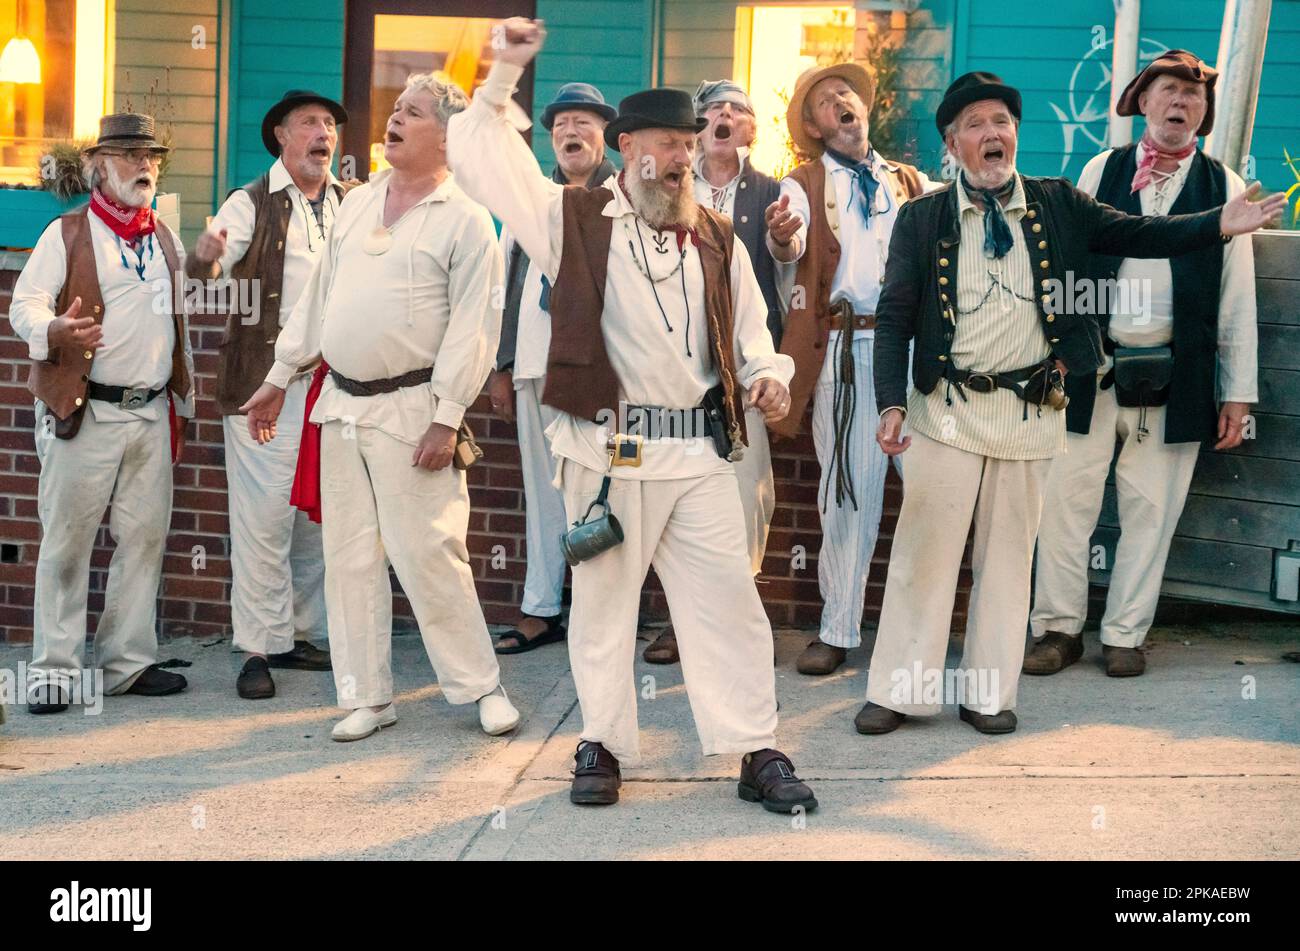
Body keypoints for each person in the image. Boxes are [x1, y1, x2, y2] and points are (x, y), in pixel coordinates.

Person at [448, 18, 817, 813]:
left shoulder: (716, 234)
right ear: (627, 150)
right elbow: (481, 157)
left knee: (729, 607)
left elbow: (751, 330)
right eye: (664, 143)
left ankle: (755, 747)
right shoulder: (571, 220)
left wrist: (768, 374)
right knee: (605, 610)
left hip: (699, 456)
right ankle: (604, 743)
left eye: (689, 143)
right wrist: (506, 66)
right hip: (607, 455)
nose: (682, 157)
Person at [854, 71, 1284, 737]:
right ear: (953, 144)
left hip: (1028, 410)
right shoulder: (923, 216)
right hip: (946, 408)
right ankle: (901, 690)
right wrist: (890, 402)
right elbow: (895, 317)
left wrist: (1215, 226)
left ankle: (988, 695)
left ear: (1014, 135)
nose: (992, 133)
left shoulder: (1058, 202)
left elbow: (1141, 232)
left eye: (1002, 120)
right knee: (925, 554)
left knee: (1006, 559)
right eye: (975, 124)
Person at [241, 74, 520, 742]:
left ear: (447, 136)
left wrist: (447, 416)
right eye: (394, 109)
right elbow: (319, 301)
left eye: (413, 113)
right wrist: (281, 375)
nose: (393, 119)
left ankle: (481, 685)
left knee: (429, 549)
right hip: (341, 406)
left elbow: (474, 327)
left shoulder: (467, 217)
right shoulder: (360, 202)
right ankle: (368, 695)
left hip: (414, 408)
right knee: (350, 555)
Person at [1028, 51, 1258, 679]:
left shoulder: (1226, 186)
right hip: (1091, 369)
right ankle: (1056, 628)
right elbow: (1066, 264)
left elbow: (1237, 296)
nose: (1182, 102)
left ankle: (1126, 633)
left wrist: (1236, 392)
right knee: (1064, 505)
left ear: (1204, 113)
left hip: (1175, 375)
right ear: (1144, 100)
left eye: (1194, 95)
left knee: (1151, 513)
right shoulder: (1102, 168)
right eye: (1170, 91)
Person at [11, 113, 195, 712]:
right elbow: (24, 307)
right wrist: (55, 330)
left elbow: (176, 327)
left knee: (144, 540)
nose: (144, 166)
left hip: (149, 412)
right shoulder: (64, 233)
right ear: (98, 167)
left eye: (150, 157)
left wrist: (181, 401)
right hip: (85, 411)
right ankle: (54, 671)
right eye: (128, 156)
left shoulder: (165, 236)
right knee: (67, 543)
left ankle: (126, 663)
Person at [766, 63, 934, 676]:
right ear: (813, 125)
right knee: (848, 494)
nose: (840, 103)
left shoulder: (911, 181)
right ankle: (838, 629)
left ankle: (919, 636)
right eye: (824, 101)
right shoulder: (801, 184)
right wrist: (783, 239)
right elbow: (789, 243)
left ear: (863, 110)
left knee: (930, 491)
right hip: (845, 347)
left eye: (846, 95)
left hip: (913, 351)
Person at [188, 90, 354, 699]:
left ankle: (302, 634)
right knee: (264, 518)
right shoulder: (249, 199)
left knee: (318, 514)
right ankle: (258, 646)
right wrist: (205, 257)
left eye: (330, 125)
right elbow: (213, 259)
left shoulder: (348, 203)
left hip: (333, 385)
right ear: (281, 135)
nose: (324, 133)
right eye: (310, 123)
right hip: (265, 387)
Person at [639, 78, 784, 668]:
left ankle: (738, 618)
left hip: (741, 370)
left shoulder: (774, 190)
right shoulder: (666, 188)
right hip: (675, 378)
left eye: (736, 110)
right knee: (677, 505)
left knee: (749, 495)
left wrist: (767, 370)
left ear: (749, 129)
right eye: (713, 111)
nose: (724, 117)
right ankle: (680, 620)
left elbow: (780, 279)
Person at [486, 82, 617, 656]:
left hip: (599, 369)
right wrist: (502, 366)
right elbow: (510, 289)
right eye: (562, 124)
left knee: (604, 492)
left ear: (606, 134)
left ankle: (600, 611)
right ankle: (542, 608)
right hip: (535, 366)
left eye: (584, 122)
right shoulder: (530, 199)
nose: (571, 132)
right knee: (543, 493)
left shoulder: (625, 199)